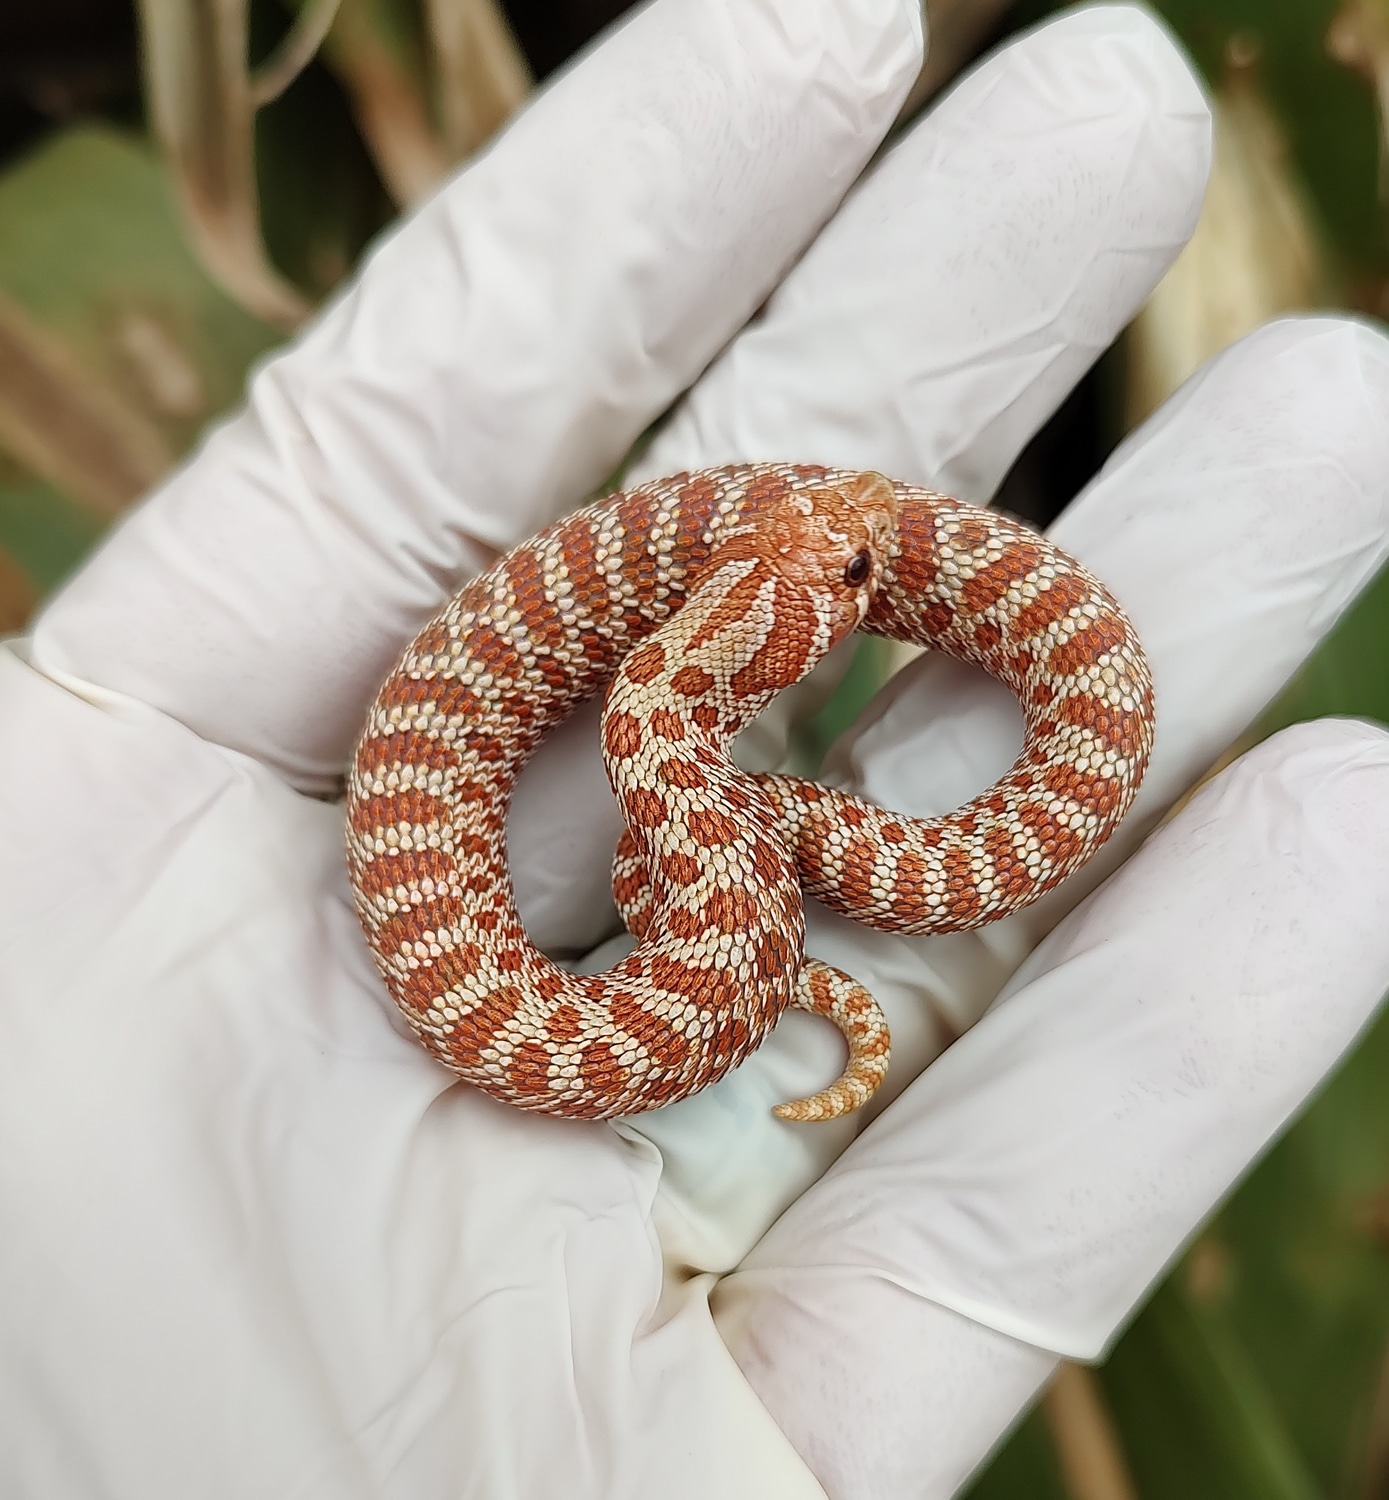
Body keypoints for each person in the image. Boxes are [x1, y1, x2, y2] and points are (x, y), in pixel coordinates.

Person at [3, 2, 1388, 1496]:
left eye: (850, 572)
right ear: (730, 648)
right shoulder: (666, 721)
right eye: (846, 580)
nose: (853, 545)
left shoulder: (684, 697)